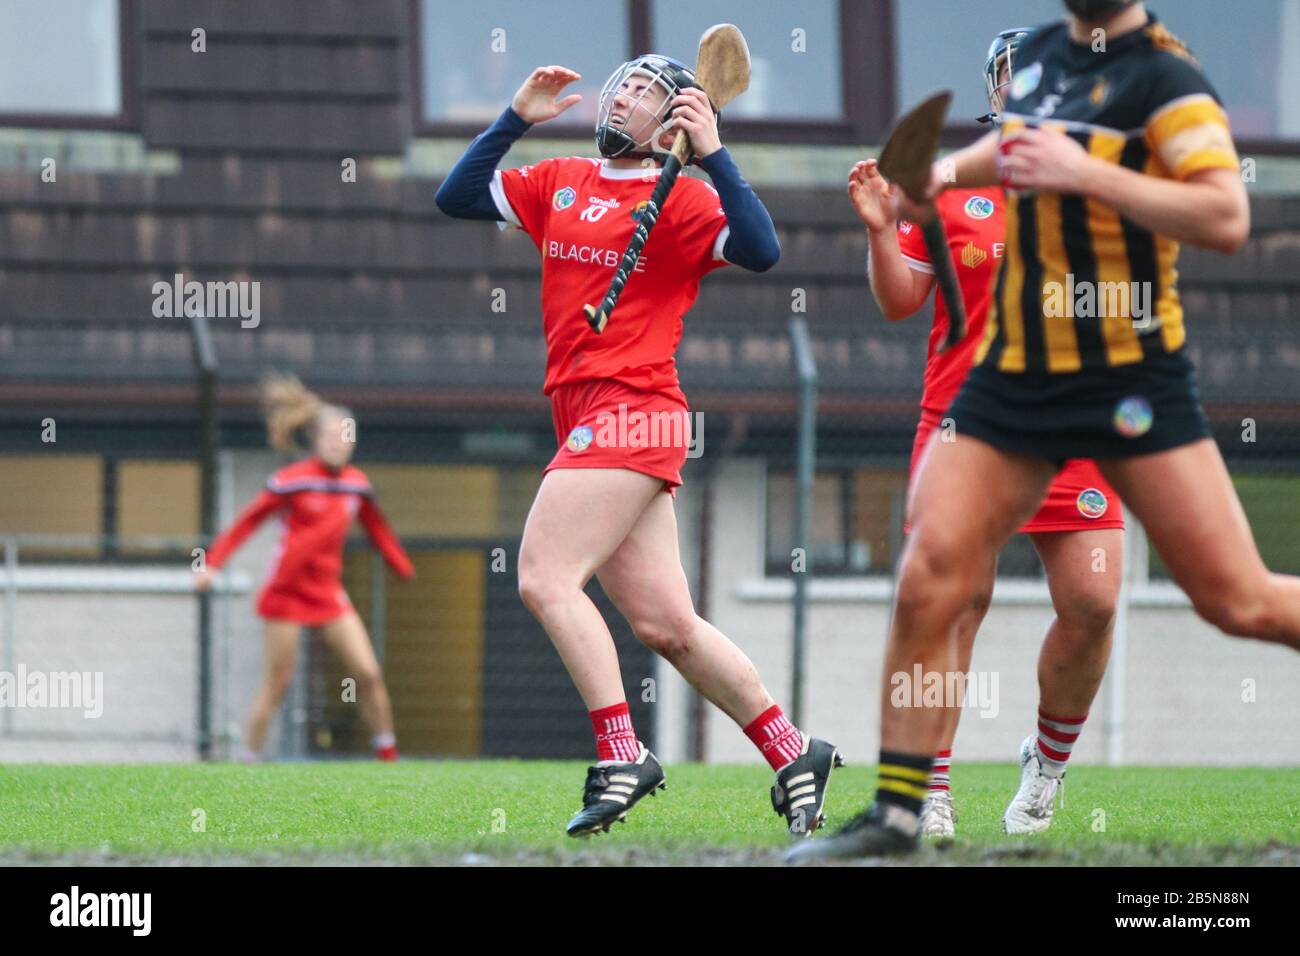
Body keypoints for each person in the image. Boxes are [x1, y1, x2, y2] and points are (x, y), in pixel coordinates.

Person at [792, 0, 1298, 863]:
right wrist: (940, 176)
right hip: (1012, 382)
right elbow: (1013, 147)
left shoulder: (1166, 80)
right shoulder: (1042, 61)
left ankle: (1035, 766)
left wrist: (1086, 170)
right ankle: (901, 812)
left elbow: (1224, 217)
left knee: (1235, 599)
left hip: (1125, 377)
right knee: (932, 580)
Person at [436, 56, 841, 837]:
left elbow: (763, 252)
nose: (625, 97)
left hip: (633, 410)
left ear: (673, 124)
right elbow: (454, 197)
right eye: (624, 85)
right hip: (589, 412)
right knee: (668, 626)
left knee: (545, 577)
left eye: (648, 94)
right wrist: (515, 116)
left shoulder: (685, 201)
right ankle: (795, 754)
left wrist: (715, 152)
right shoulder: (557, 179)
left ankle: (622, 752)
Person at [848, 28, 1123, 839]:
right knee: (954, 604)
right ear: (996, 90)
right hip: (963, 423)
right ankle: (930, 785)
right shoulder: (951, 188)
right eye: (1018, 74)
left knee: (1095, 601)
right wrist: (875, 229)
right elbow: (900, 301)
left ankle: (1045, 767)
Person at [196, 375, 414, 762]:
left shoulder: (356, 486)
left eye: (346, 437)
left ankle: (388, 755)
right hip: (286, 592)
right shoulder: (290, 482)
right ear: (316, 439)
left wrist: (402, 567)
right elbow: (246, 524)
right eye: (332, 436)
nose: (339, 443)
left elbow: (378, 530)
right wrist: (211, 564)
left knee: (368, 673)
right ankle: (247, 759)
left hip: (328, 592)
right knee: (278, 681)